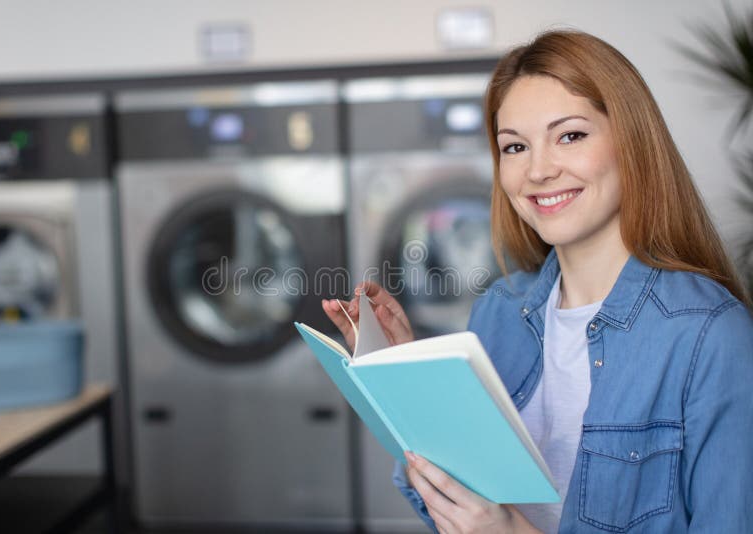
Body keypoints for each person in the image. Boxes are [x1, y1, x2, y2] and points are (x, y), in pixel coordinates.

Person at [322, 29, 753, 533]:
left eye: (570, 135)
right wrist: (404, 373)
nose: (539, 170)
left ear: (632, 140)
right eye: (515, 146)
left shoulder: (710, 335)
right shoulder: (499, 309)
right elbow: (457, 503)